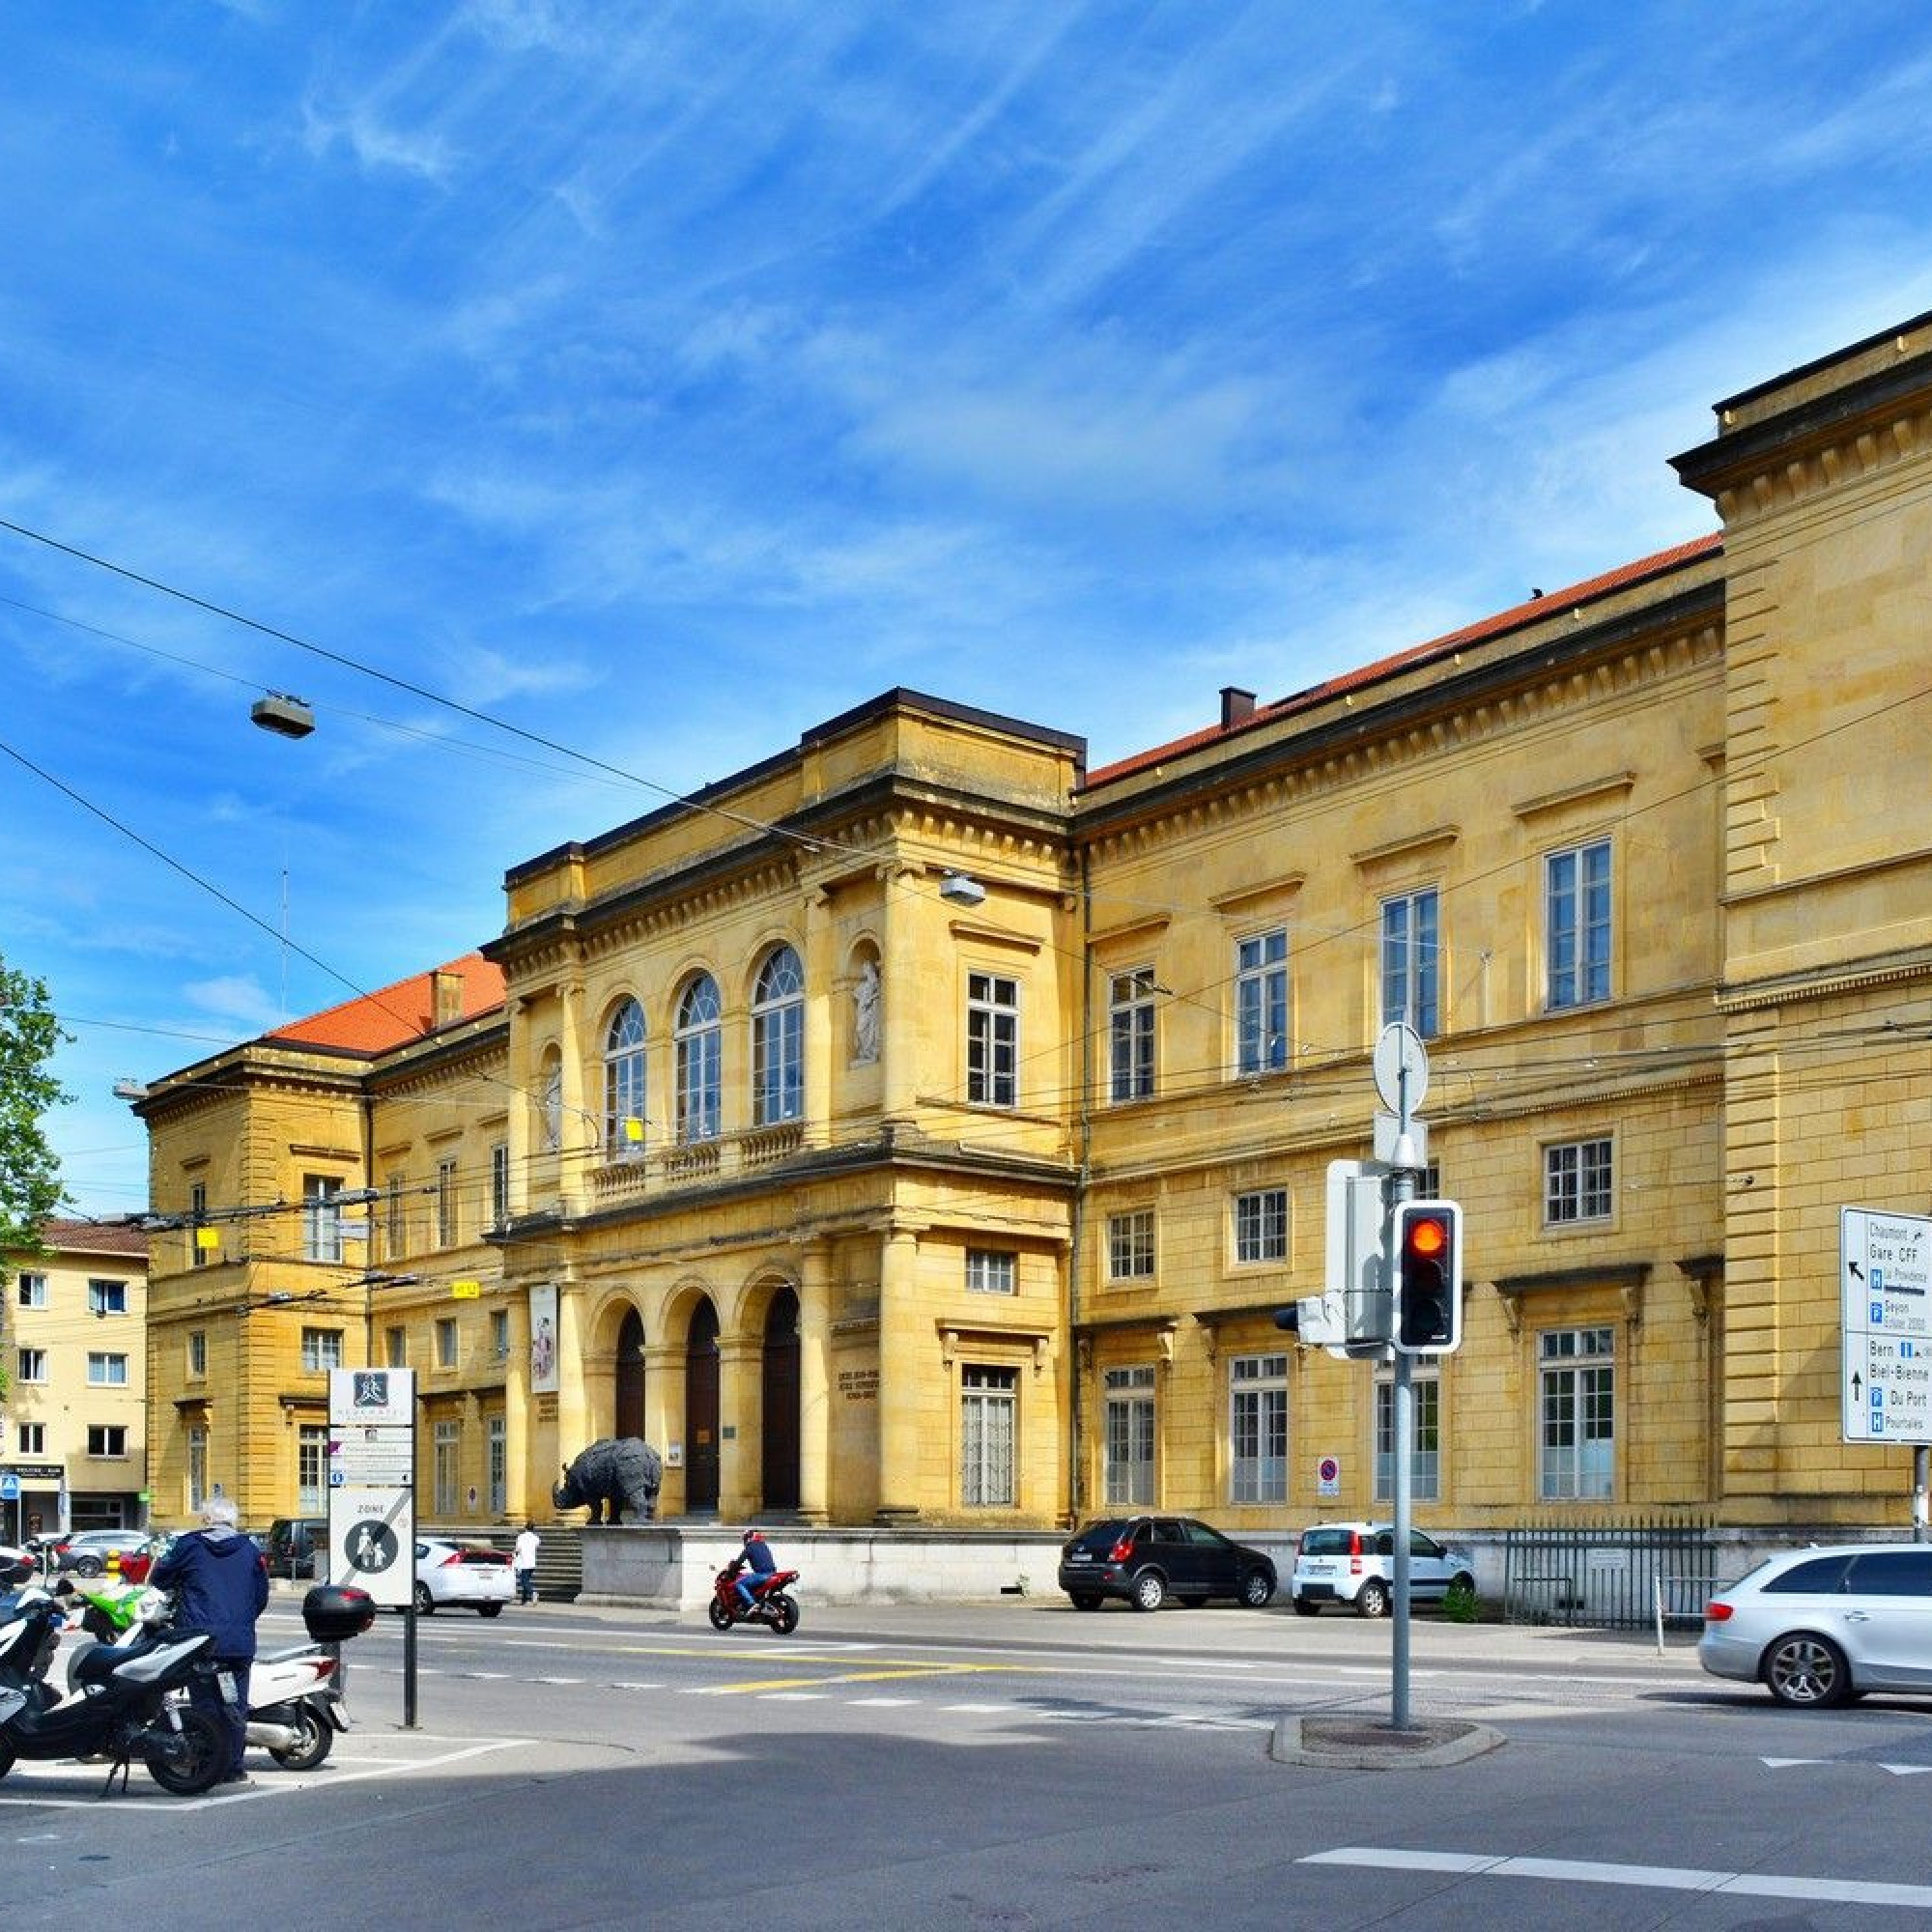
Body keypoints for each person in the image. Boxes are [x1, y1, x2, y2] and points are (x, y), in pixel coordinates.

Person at [149, 1495, 270, 1783]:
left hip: (201, 1641)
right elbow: (261, 1596)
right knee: (236, 1704)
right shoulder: (250, 1550)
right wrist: (243, 1619)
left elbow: (159, 1578)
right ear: (234, 1520)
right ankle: (234, 1767)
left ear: (206, 1520)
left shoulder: (191, 1546)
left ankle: (206, 1764)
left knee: (204, 1705)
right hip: (239, 1642)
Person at [728, 1527, 777, 1616]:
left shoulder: (750, 1547)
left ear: (748, 1538)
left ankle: (752, 1604)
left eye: (745, 1538)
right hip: (773, 1574)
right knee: (751, 1578)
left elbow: (739, 1562)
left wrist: (731, 1569)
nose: (744, 1541)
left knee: (739, 1584)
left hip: (763, 1575)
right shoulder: (764, 1545)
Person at [512, 1521, 540, 1605]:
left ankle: (533, 1593)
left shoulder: (521, 1537)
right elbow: (536, 1546)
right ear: (533, 1529)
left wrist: (513, 1555)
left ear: (525, 1528)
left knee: (524, 1581)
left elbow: (518, 1549)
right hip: (531, 1563)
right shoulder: (536, 1538)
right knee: (526, 1581)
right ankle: (524, 1600)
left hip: (523, 1562)